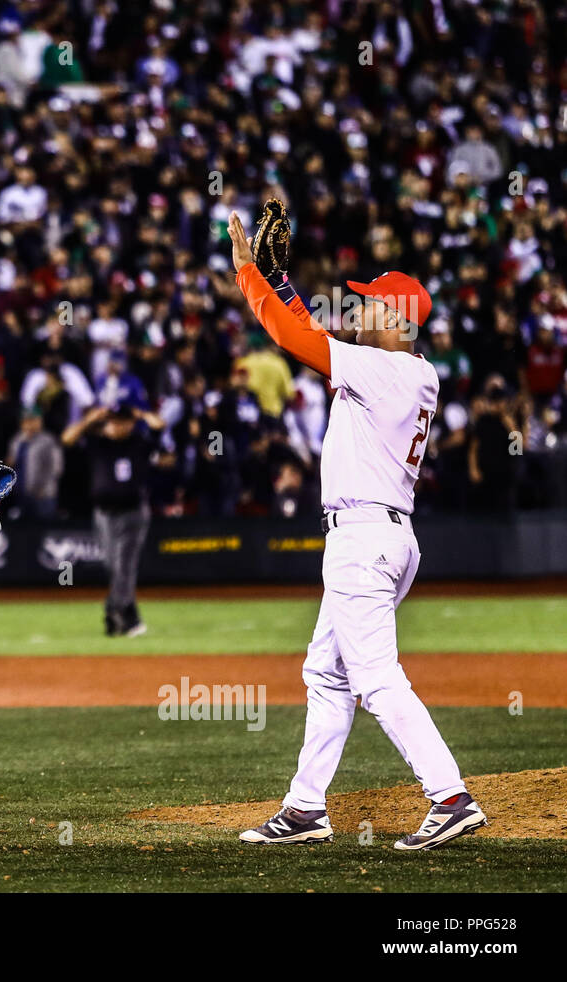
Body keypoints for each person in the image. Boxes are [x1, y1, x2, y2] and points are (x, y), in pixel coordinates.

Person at [227, 209, 487, 851]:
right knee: (327, 672)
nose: (360, 309)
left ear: (397, 320)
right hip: (380, 535)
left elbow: (296, 342)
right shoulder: (402, 369)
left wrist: (248, 273)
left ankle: (450, 796)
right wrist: (280, 281)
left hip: (364, 541)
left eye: (372, 304)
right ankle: (306, 808)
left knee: (374, 678)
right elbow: (311, 329)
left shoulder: (388, 369)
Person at [62, 389, 165, 637]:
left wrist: (140, 414)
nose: (117, 426)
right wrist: (90, 419)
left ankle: (116, 611)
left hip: (133, 513)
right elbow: (67, 439)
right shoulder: (98, 442)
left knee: (124, 566)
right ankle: (126, 614)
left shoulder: (139, 442)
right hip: (104, 514)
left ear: (130, 423)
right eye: (114, 421)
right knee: (113, 565)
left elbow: (159, 425)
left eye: (122, 421)